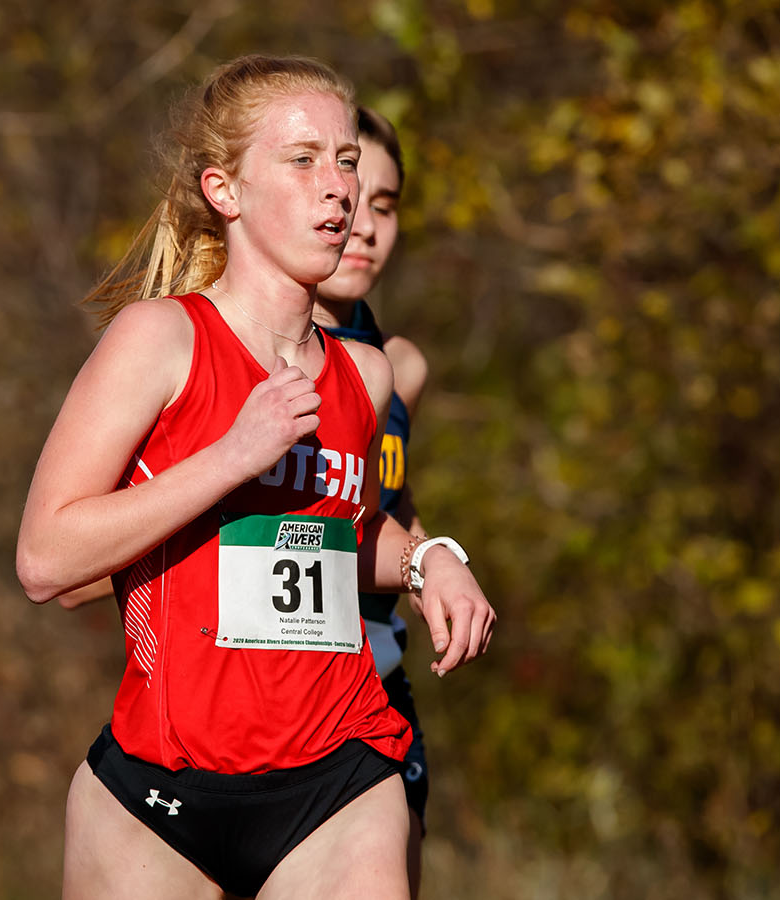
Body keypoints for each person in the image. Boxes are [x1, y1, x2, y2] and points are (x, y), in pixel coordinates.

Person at [16, 56, 495, 899]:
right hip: (160, 790)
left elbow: (339, 530)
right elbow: (46, 559)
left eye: (346, 160)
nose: (338, 189)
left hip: (338, 779)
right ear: (224, 191)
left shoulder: (366, 376)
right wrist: (232, 456)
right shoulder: (160, 340)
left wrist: (430, 559)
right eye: (303, 160)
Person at [312, 107, 432, 897]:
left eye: (385, 207)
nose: (364, 226)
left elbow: (388, 506)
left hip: (378, 698)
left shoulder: (401, 367)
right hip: (243, 703)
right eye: (351, 197)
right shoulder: (210, 351)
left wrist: (434, 563)